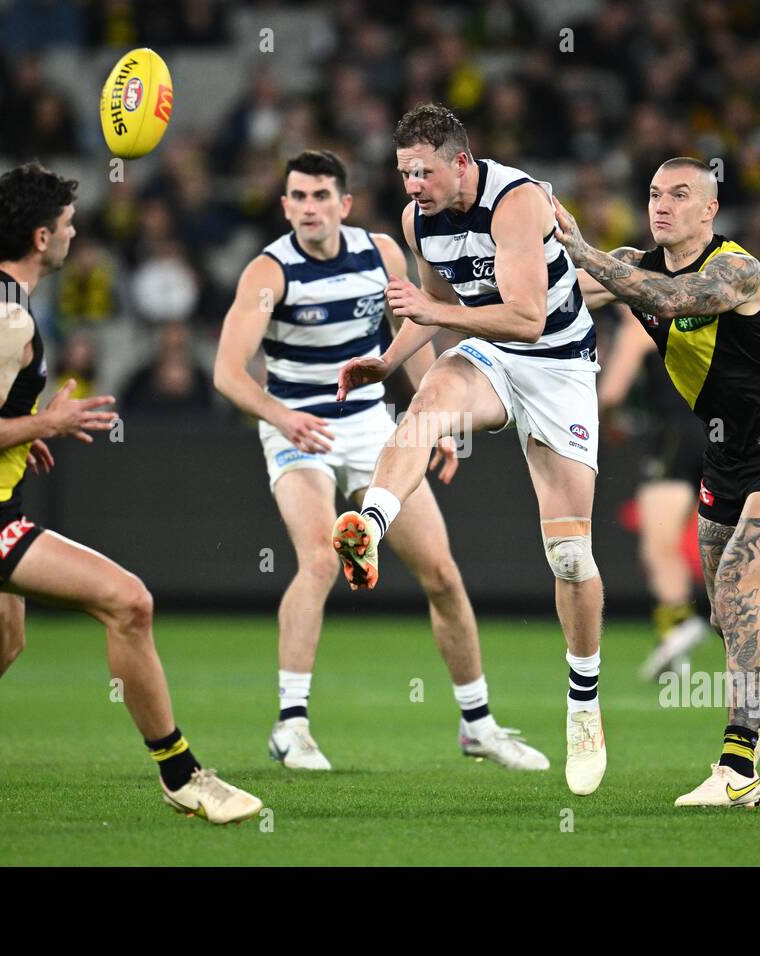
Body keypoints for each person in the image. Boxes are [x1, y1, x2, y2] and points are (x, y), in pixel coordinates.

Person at [0, 162, 261, 825]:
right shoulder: (10, 321)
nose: (76, 235)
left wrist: (12, 437)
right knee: (129, 602)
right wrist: (42, 422)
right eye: (70, 226)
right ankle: (182, 775)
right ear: (41, 238)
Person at [214, 149, 547, 772]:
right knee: (317, 559)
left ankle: (478, 725)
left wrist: (434, 419)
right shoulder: (268, 273)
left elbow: (415, 331)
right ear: (284, 206)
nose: (309, 208)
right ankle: (292, 727)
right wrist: (282, 417)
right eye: (297, 198)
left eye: (321, 197)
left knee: (443, 575)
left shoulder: (383, 254)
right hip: (299, 431)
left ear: (344, 204)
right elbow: (227, 374)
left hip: (371, 426)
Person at [332, 105, 607, 796]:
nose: (412, 185)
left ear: (462, 161)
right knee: (426, 405)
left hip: (560, 365)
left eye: (423, 171)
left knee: (570, 555)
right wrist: (388, 359)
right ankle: (368, 526)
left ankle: (583, 705)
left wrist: (437, 319)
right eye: (403, 173)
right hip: (491, 354)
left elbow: (527, 316)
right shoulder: (417, 218)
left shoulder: (515, 201)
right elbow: (432, 299)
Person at [553, 157, 760, 808]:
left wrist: (585, 252)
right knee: (722, 611)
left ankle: (738, 770)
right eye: (654, 194)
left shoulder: (736, 268)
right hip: (725, 458)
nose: (663, 205)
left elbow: (672, 301)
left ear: (709, 209)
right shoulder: (634, 263)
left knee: (737, 593)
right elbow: (554, 295)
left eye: (681, 194)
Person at [597, 308, 711, 681]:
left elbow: (612, 392)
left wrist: (610, 422)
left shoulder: (639, 324)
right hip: (724, 436)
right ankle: (675, 644)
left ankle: (680, 622)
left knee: (657, 545)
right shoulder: (705, 315)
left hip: (675, 436)